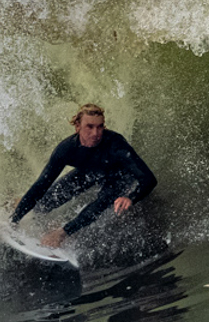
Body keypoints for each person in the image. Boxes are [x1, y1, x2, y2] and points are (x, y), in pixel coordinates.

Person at [9, 104, 158, 249]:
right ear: (77, 126)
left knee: (102, 201)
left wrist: (131, 197)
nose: (96, 133)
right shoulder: (67, 149)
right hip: (89, 172)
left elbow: (149, 179)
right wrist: (14, 221)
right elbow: (41, 184)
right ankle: (19, 207)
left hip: (117, 177)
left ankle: (62, 233)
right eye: (90, 127)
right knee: (43, 203)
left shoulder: (116, 145)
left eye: (100, 127)